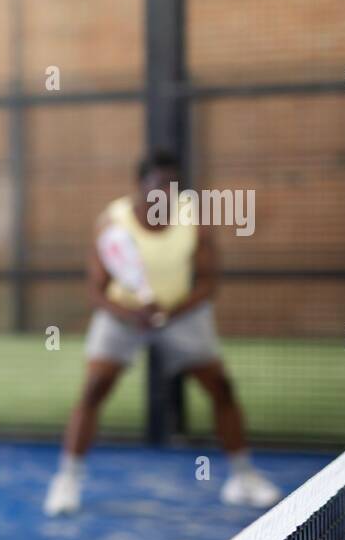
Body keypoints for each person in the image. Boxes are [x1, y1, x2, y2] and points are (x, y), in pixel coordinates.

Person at [44, 150, 281, 516]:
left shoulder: (195, 220)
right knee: (94, 389)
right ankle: (67, 481)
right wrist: (133, 312)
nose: (164, 193)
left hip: (181, 314)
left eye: (171, 185)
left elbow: (207, 283)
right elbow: (96, 291)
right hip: (123, 316)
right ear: (140, 186)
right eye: (157, 184)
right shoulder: (112, 223)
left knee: (222, 388)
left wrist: (168, 313)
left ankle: (243, 477)